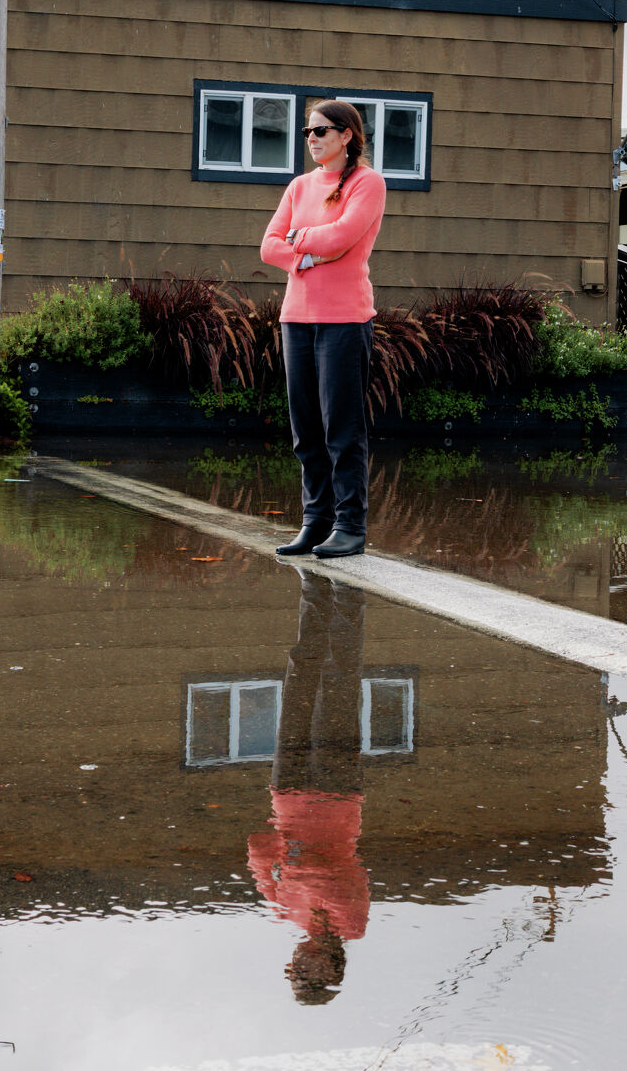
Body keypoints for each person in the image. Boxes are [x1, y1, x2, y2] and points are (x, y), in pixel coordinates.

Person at [257, 100, 387, 559]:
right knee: (306, 429)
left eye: (321, 131)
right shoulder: (299, 186)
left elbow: (342, 237)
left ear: (346, 135)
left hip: (345, 320)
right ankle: (317, 522)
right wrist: (309, 250)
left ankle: (350, 527)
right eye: (308, 132)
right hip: (297, 318)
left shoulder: (367, 183)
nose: (312, 139)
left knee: (342, 429)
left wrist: (300, 239)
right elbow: (268, 247)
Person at [246, 570, 370, 1004]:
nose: (296, 965)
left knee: (300, 676)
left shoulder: (284, 912)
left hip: (289, 792)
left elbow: (257, 848)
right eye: (307, 974)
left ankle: (314, 584)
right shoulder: (351, 926)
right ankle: (349, 593)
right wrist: (294, 867)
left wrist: (281, 867)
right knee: (337, 683)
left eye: (294, 972)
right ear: (332, 969)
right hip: (336, 797)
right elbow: (336, 876)